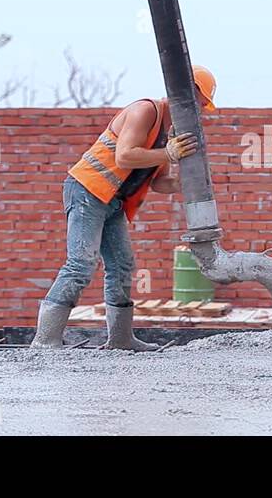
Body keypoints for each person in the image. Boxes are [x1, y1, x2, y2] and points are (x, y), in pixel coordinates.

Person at [31, 66, 217, 350]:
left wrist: (188, 181)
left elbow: (159, 182)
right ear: (185, 94)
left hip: (113, 200)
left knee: (121, 265)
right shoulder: (146, 111)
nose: (199, 112)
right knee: (81, 264)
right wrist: (168, 153)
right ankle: (45, 340)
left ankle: (120, 339)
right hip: (87, 190)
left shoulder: (168, 133)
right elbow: (125, 156)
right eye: (199, 104)